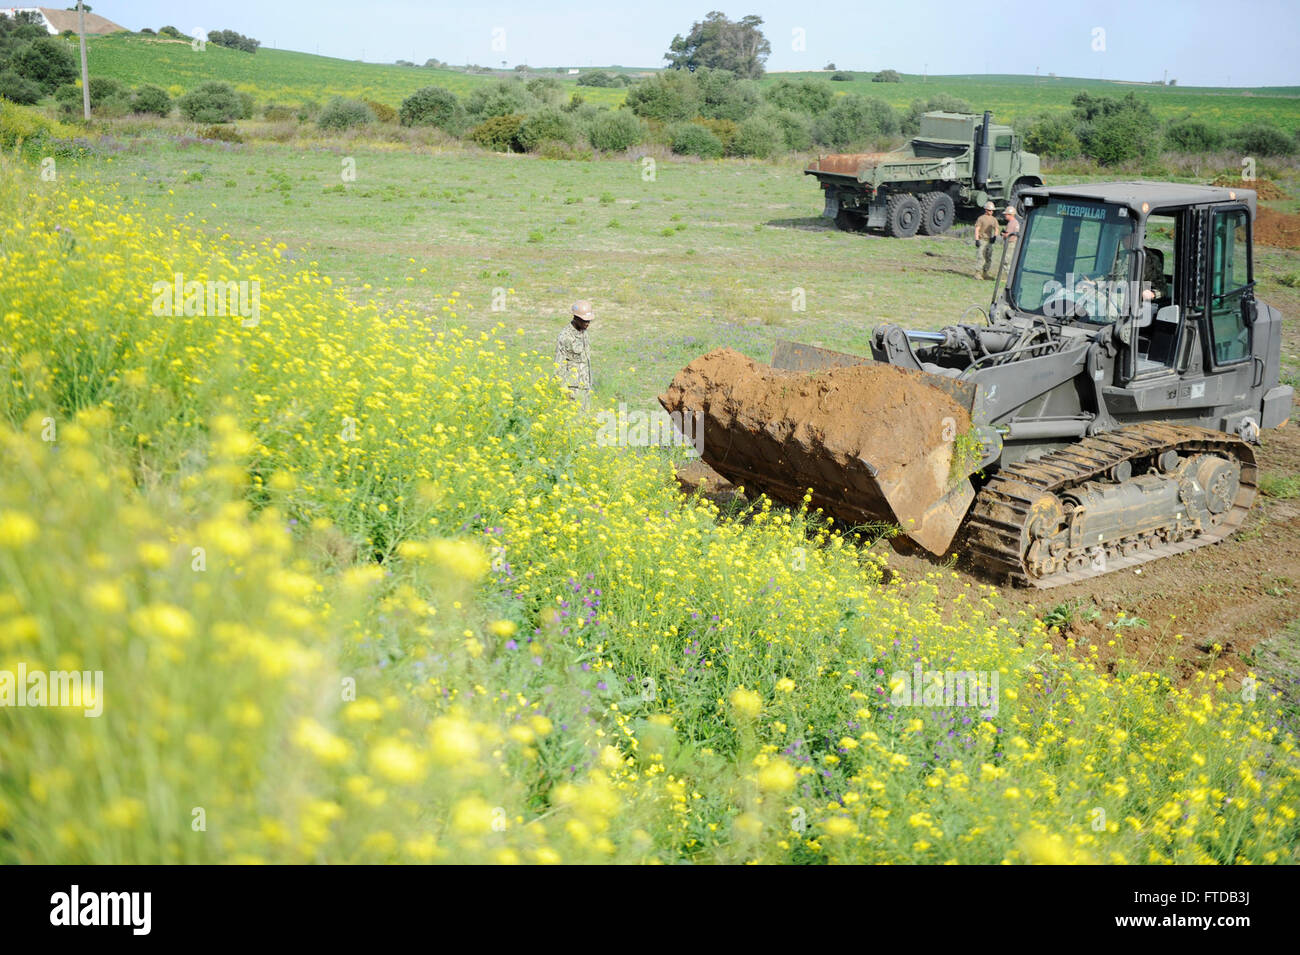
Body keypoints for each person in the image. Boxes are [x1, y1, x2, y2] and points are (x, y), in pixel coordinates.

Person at [555, 300, 594, 409]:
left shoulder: (584, 332)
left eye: (589, 321)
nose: (587, 323)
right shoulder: (565, 336)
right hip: (572, 390)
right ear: (576, 318)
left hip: (585, 387)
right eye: (584, 321)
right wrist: (563, 390)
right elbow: (558, 365)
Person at [974, 201, 998, 280]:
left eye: (992, 210)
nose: (991, 212)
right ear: (986, 210)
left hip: (989, 241)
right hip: (982, 240)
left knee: (988, 257)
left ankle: (985, 273)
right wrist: (977, 239)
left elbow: (996, 228)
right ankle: (977, 273)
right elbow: (977, 229)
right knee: (980, 256)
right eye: (990, 210)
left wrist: (995, 237)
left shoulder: (994, 219)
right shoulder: (981, 218)